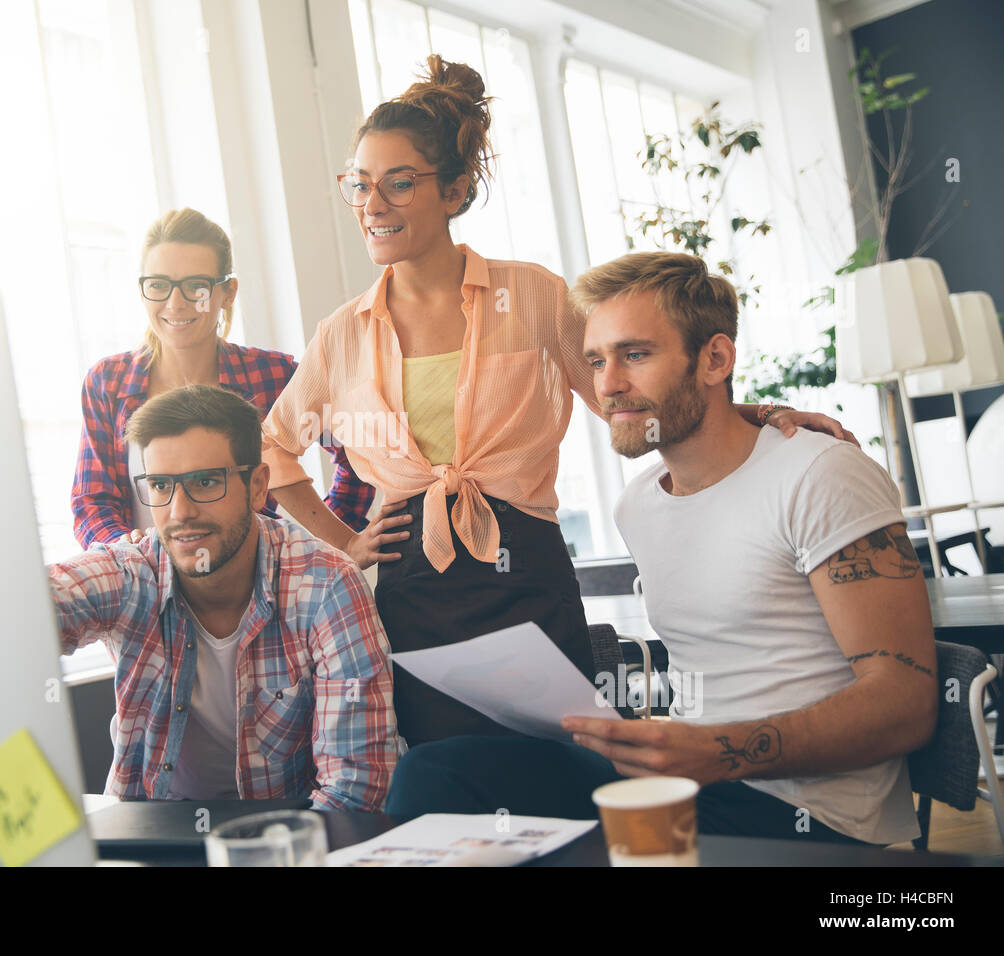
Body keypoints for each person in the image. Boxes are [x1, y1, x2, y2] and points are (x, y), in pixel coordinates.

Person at [258, 56, 854, 747]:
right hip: (411, 585)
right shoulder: (342, 335)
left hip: (526, 566)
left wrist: (752, 415)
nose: (371, 204)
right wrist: (347, 545)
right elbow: (273, 447)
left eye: (398, 184)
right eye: (359, 186)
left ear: (453, 191)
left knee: (566, 759)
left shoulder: (534, 296)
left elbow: (626, 394)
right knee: (446, 773)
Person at [384, 252, 936, 845]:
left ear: (715, 358)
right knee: (435, 772)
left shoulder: (822, 475)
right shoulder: (639, 503)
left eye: (636, 355)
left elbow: (905, 702)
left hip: (804, 818)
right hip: (687, 782)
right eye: (596, 361)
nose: (608, 384)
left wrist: (717, 752)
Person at [50, 385, 399, 810]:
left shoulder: (327, 587)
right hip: (150, 839)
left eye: (205, 482)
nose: (179, 512)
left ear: (257, 487)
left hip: (290, 840)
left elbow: (354, 791)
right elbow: (24, 614)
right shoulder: (130, 573)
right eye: (160, 485)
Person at [72, 207, 374, 550]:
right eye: (158, 285)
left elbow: (357, 456)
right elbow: (91, 501)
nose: (175, 304)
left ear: (227, 292)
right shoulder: (107, 383)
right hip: (147, 586)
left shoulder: (273, 376)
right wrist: (126, 551)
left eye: (195, 286)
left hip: (256, 588)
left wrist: (327, 546)